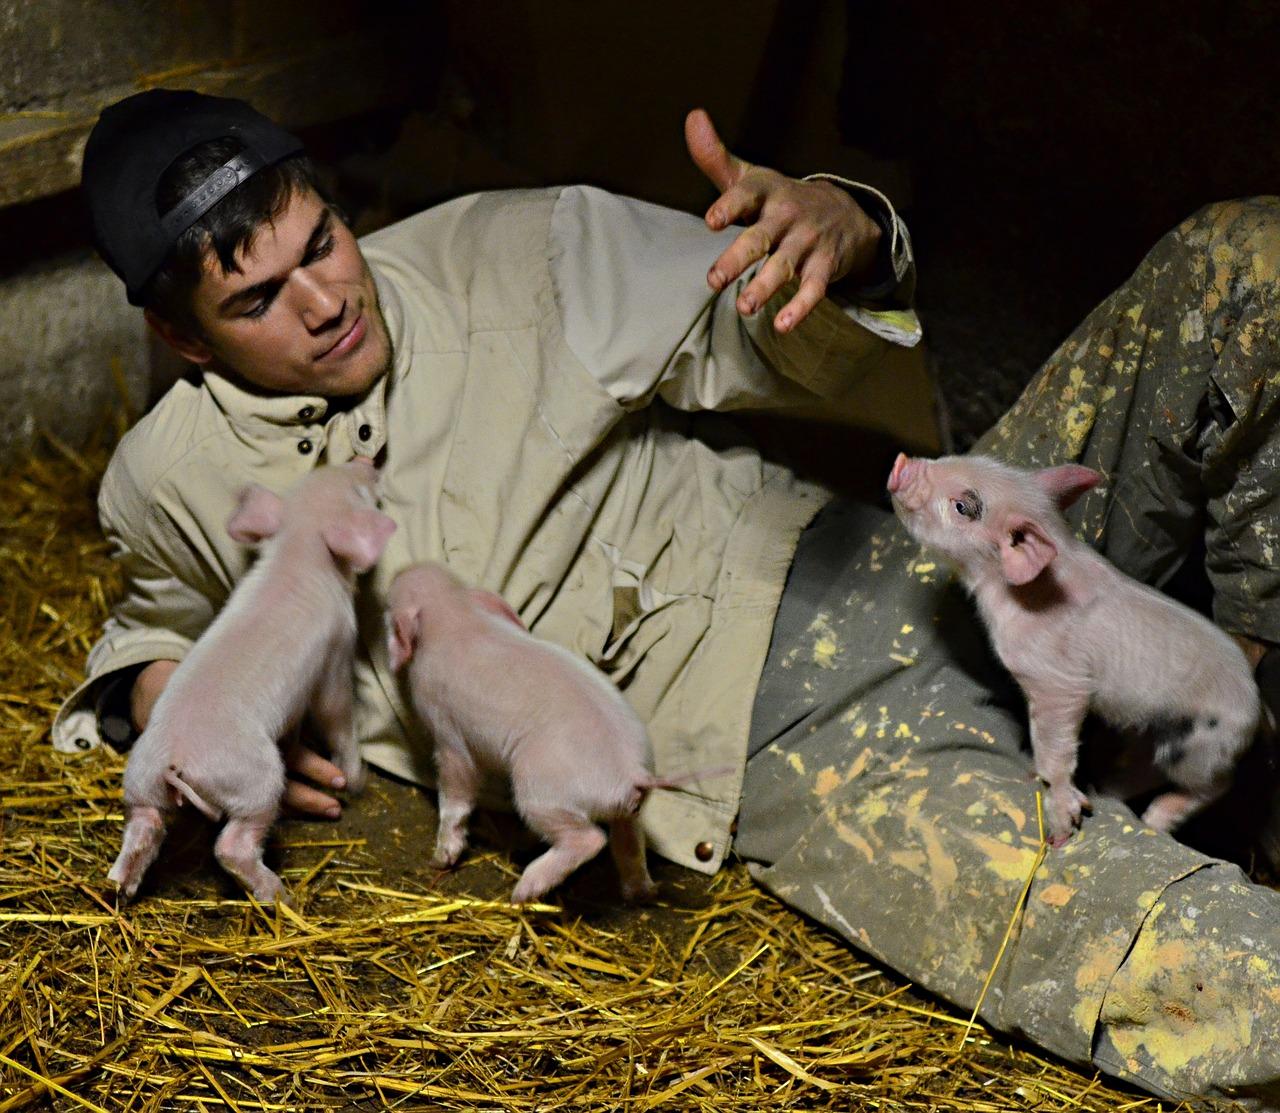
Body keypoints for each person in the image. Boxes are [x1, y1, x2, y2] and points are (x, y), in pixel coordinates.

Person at [56, 88, 1280, 1108]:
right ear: (189, 342)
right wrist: (153, 686)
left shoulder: (513, 247)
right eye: (258, 299)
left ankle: (1237, 714)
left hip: (924, 560)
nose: (325, 303)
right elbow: (155, 616)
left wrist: (845, 230)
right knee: (1224, 988)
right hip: (806, 752)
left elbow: (766, 312)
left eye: (320, 243)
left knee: (1244, 265)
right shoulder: (167, 478)